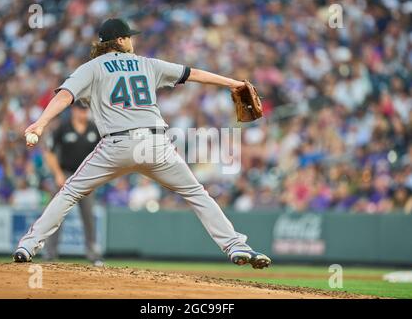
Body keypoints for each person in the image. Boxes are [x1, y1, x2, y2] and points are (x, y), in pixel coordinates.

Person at [13, 18, 271, 269]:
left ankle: (28, 245)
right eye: (129, 37)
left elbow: (66, 95)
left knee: (70, 192)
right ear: (121, 40)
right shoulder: (147, 64)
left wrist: (41, 122)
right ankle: (236, 245)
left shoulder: (92, 67)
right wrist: (234, 83)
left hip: (116, 145)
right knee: (196, 194)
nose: (132, 41)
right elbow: (193, 74)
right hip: (155, 144)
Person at [43, 102, 103, 265]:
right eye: (81, 109)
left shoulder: (94, 128)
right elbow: (49, 152)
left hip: (86, 177)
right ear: (73, 110)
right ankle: (50, 253)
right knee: (55, 215)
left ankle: (93, 255)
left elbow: (103, 154)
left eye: (86, 110)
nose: (84, 113)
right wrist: (57, 174)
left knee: (89, 217)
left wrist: (95, 178)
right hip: (66, 175)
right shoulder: (63, 127)